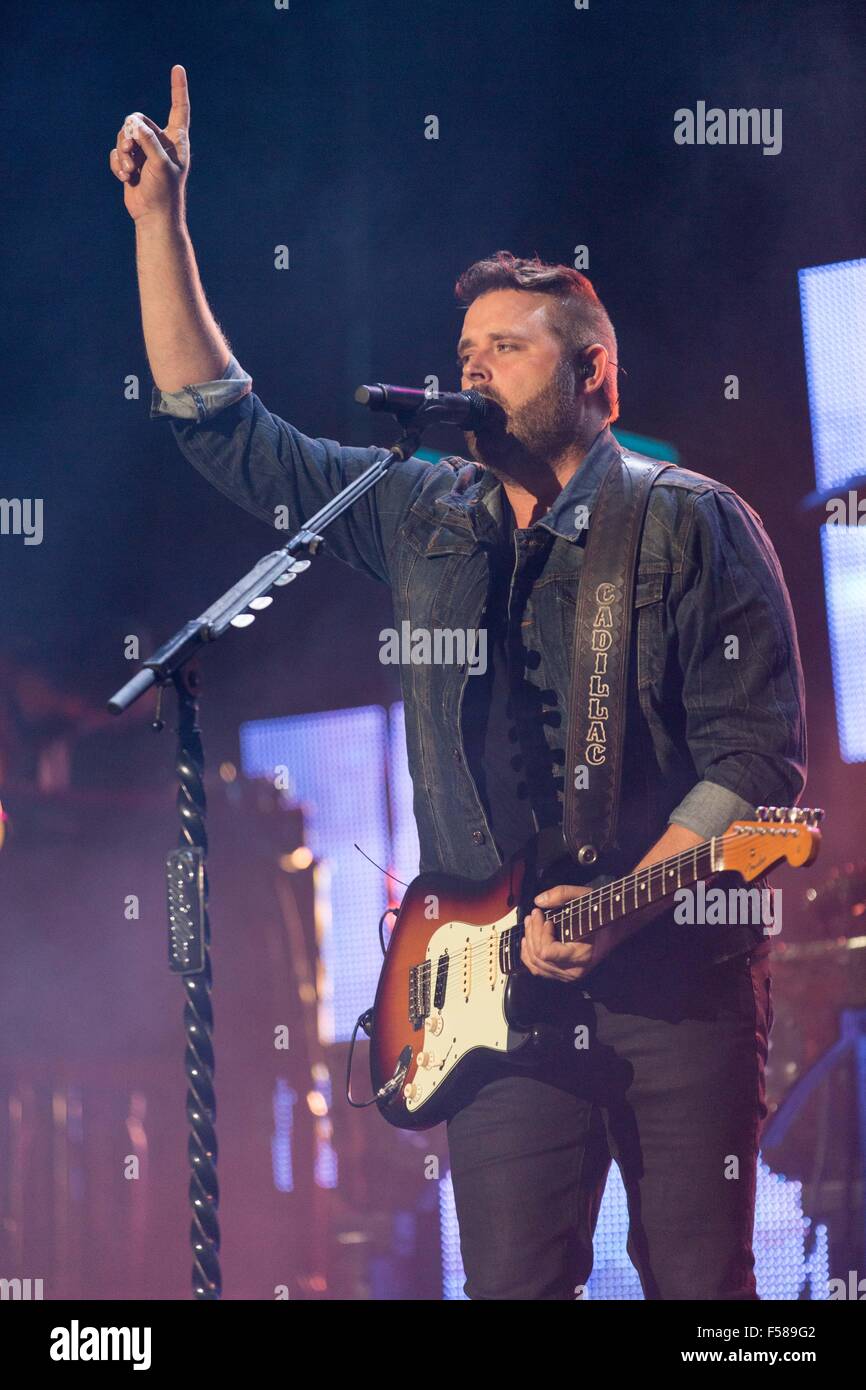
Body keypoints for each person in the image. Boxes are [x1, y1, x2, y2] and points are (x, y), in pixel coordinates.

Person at [111, 66, 807, 1300]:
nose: (472, 369)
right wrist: (160, 229)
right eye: (463, 350)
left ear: (593, 370)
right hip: (485, 1000)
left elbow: (754, 772)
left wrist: (622, 911)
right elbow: (225, 427)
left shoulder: (690, 523)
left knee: (705, 1302)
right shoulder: (422, 511)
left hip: (672, 993)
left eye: (506, 347)